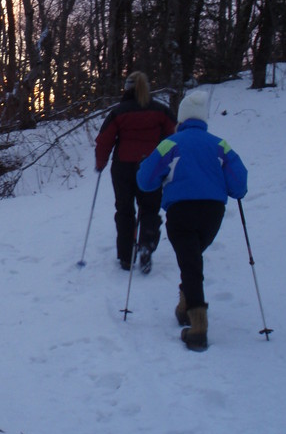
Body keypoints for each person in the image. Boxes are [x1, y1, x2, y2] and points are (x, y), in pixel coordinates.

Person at [136, 88, 248, 351]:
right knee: (192, 260)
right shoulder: (220, 144)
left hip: (181, 211)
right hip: (212, 213)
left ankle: (198, 326)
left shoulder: (171, 143)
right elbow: (239, 185)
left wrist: (148, 169)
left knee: (190, 262)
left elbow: (145, 180)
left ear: (182, 119)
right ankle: (184, 306)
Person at [95, 72, 176, 274]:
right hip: (151, 166)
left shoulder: (119, 112)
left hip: (123, 167)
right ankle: (147, 244)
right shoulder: (161, 111)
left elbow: (104, 139)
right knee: (149, 208)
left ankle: (126, 256)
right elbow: (174, 136)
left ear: (127, 88)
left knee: (125, 210)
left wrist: (101, 162)